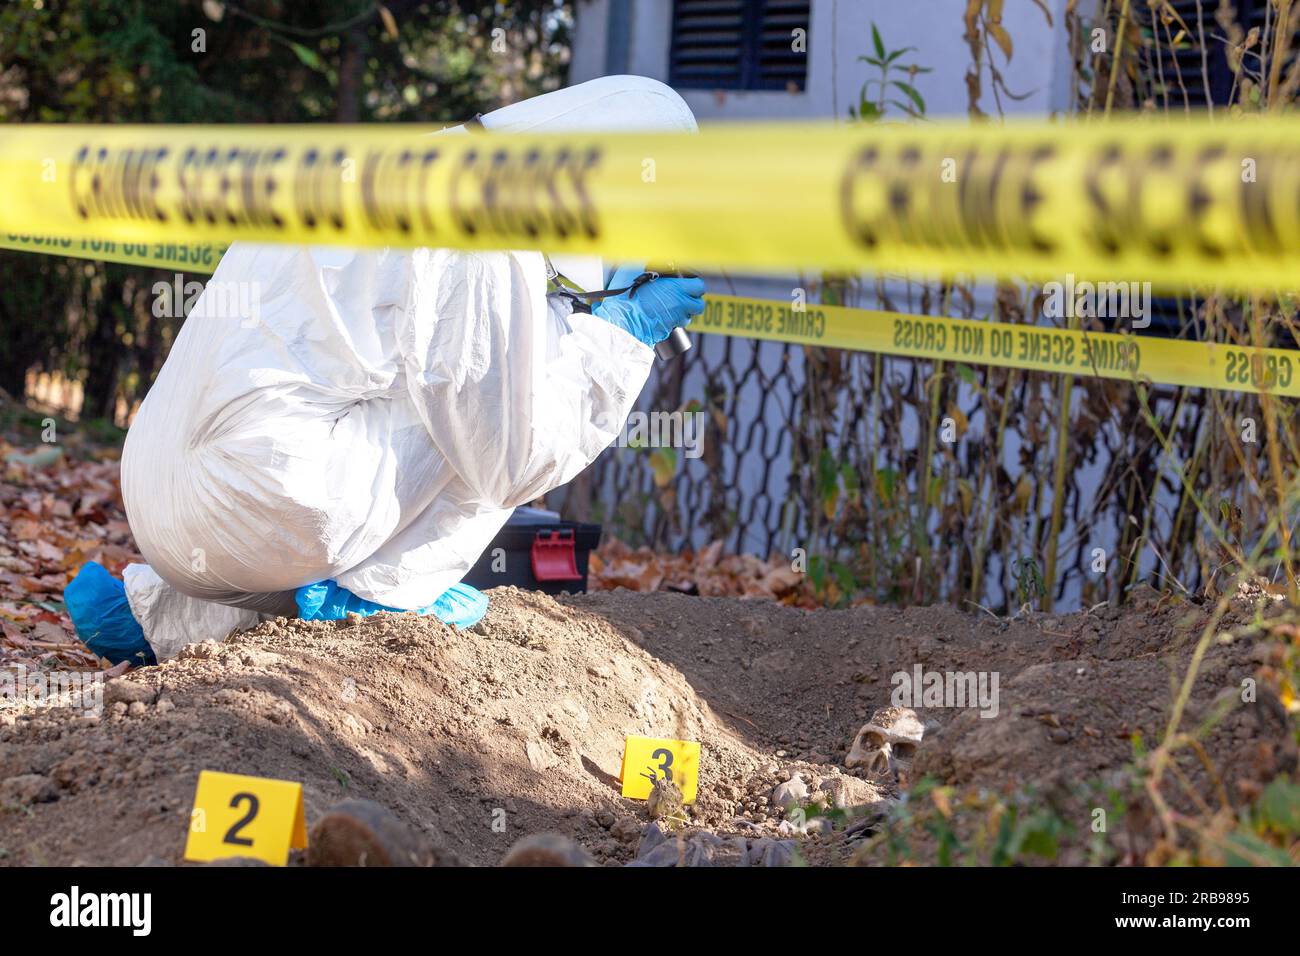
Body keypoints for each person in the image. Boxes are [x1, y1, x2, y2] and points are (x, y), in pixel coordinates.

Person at [64, 76, 705, 665]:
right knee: (496, 410)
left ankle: (148, 618)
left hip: (165, 506)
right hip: (247, 515)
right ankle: (379, 598)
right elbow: (515, 459)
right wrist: (621, 338)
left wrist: (575, 315)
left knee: (416, 386)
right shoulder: (478, 231)